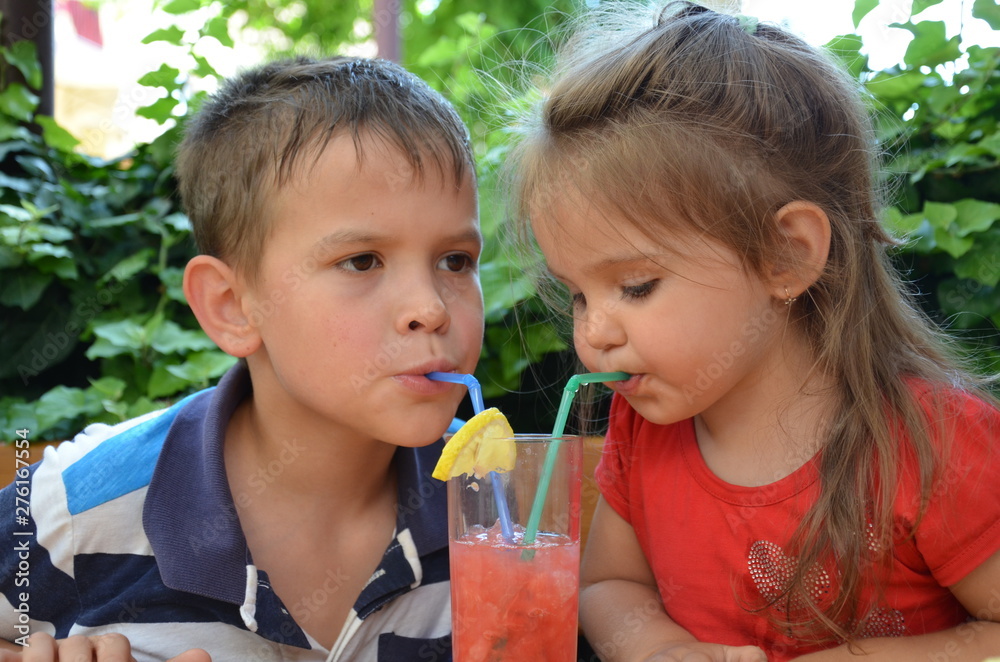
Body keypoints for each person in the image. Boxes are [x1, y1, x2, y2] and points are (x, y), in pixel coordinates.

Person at [508, 2, 1000, 661]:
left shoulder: (934, 446)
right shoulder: (644, 431)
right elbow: (609, 583)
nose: (593, 333)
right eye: (576, 294)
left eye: (635, 286)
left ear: (785, 256)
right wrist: (660, 648)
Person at [0, 55, 484, 661]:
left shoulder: (499, 506)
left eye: (456, 261)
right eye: (362, 261)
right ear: (231, 306)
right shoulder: (81, 506)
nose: (431, 308)